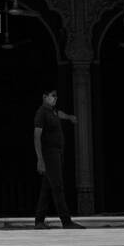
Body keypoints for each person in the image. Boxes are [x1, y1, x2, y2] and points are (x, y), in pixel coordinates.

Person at [33, 88, 84, 229]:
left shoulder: (52, 111)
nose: (55, 98)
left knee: (47, 188)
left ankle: (39, 221)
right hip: (49, 154)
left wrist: (69, 117)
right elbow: (37, 137)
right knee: (58, 187)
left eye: (56, 96)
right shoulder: (41, 113)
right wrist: (40, 159)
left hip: (57, 153)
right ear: (44, 97)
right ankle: (66, 221)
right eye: (52, 96)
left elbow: (59, 114)